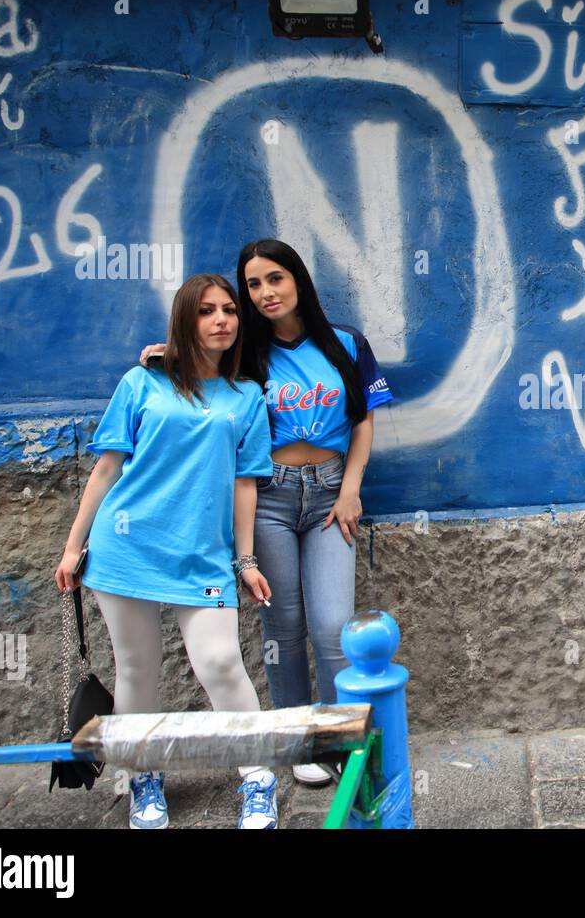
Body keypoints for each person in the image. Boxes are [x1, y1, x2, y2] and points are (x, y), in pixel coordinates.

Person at [141, 239, 392, 787]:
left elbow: (365, 417)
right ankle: (293, 741)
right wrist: (169, 356)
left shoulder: (345, 343)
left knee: (332, 626)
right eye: (252, 284)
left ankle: (336, 737)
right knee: (283, 622)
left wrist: (351, 488)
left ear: (297, 279)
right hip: (267, 497)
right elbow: (202, 366)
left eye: (274, 278)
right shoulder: (245, 350)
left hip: (331, 498)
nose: (264, 293)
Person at [56, 273, 279, 829]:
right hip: (125, 547)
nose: (223, 320)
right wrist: (72, 546)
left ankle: (258, 777)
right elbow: (107, 467)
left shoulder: (247, 397)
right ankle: (144, 776)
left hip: (202, 555)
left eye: (230, 310)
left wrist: (246, 561)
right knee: (135, 669)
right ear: (186, 319)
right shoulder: (141, 382)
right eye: (207, 311)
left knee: (222, 663)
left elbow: (245, 482)